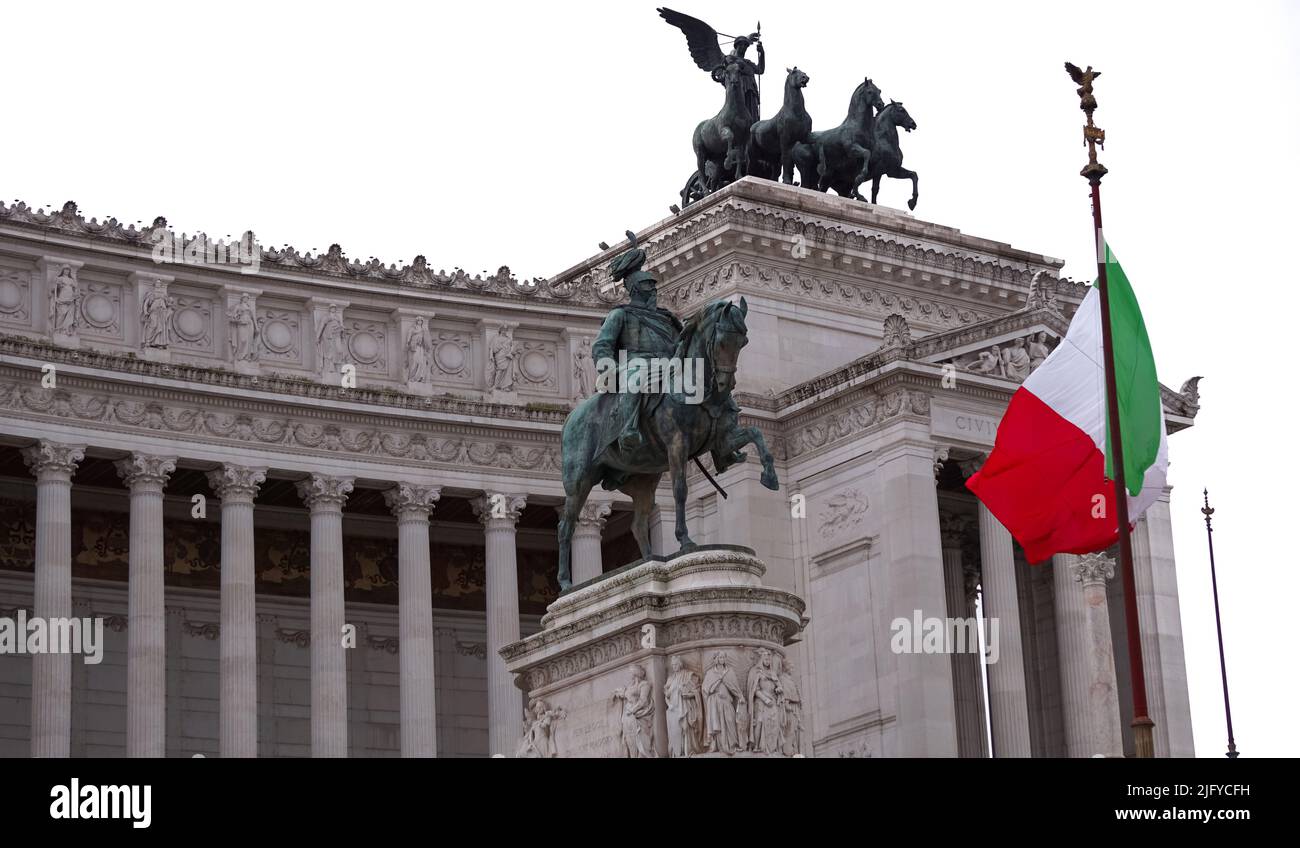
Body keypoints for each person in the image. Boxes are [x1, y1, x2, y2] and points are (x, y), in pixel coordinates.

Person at [590, 235, 683, 452]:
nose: (653, 290)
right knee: (637, 377)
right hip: (634, 365)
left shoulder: (666, 318)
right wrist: (609, 368)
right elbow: (602, 345)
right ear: (635, 289)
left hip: (668, 367)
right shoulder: (621, 315)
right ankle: (628, 429)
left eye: (653, 286)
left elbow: (681, 343)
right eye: (647, 286)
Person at [611, 664, 655, 758]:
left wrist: (632, 710)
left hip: (637, 717)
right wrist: (617, 693)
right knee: (629, 741)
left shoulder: (644, 685)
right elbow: (625, 694)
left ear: (635, 674)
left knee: (640, 742)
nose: (630, 675)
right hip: (627, 717)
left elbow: (643, 701)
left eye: (631, 673)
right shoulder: (630, 686)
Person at [702, 651, 742, 754]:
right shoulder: (710, 673)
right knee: (718, 724)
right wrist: (718, 682)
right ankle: (719, 745)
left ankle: (732, 744)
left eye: (724, 657)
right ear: (715, 659)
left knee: (730, 721)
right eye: (720, 657)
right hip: (714, 703)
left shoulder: (730, 672)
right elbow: (706, 689)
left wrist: (740, 696)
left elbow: (735, 687)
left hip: (727, 701)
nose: (722, 659)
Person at [664, 655, 704, 757]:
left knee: (686, 728)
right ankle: (678, 752)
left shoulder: (687, 675)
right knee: (676, 731)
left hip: (685, 706)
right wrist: (669, 705)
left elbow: (697, 689)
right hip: (674, 708)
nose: (674, 667)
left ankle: (688, 750)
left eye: (676, 664)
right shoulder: (671, 678)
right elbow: (666, 695)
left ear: (680, 664)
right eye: (673, 665)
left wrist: (689, 695)